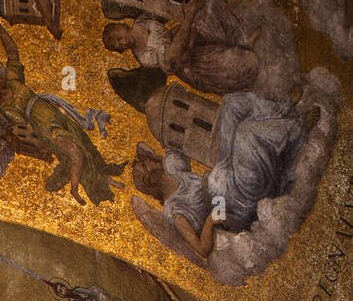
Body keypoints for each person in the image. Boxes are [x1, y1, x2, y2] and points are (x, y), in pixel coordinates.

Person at [131, 86, 320, 257]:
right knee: (245, 136)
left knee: (231, 104)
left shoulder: (172, 170)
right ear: (151, 180)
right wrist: (212, 221)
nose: (148, 160)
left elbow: (174, 144)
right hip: (232, 204)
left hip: (225, 174)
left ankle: (282, 109)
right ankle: (298, 130)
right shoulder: (173, 210)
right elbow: (202, 249)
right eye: (145, 165)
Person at [0, 13, 125, 203]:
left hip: (56, 115)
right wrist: (41, 142)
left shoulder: (14, 81)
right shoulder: (7, 108)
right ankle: (75, 189)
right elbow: (25, 128)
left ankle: (102, 177)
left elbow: (12, 52)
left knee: (85, 145)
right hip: (46, 128)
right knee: (74, 150)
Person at [102, 0, 260, 96]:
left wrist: (183, 2)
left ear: (122, 26)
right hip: (190, 63)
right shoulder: (145, 57)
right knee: (244, 64)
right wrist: (188, 16)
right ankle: (241, 51)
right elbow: (174, 56)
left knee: (208, 1)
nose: (122, 42)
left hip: (184, 36)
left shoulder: (141, 22)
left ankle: (242, 41)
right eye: (118, 45)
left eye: (118, 37)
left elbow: (163, 9)